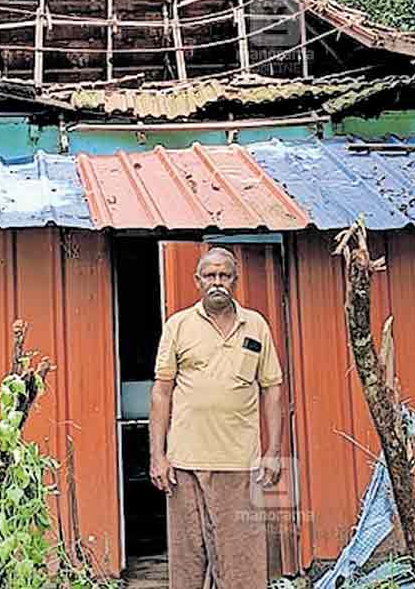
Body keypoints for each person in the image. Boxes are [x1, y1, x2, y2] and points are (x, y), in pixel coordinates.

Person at [149, 246, 285, 589]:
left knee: (241, 561)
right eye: (210, 275)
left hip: (240, 462)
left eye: (224, 275)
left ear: (235, 281)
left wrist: (272, 452)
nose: (217, 282)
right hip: (185, 463)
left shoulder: (255, 325)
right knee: (189, 560)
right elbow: (161, 392)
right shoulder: (178, 326)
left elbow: (273, 390)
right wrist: (157, 456)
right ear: (198, 281)